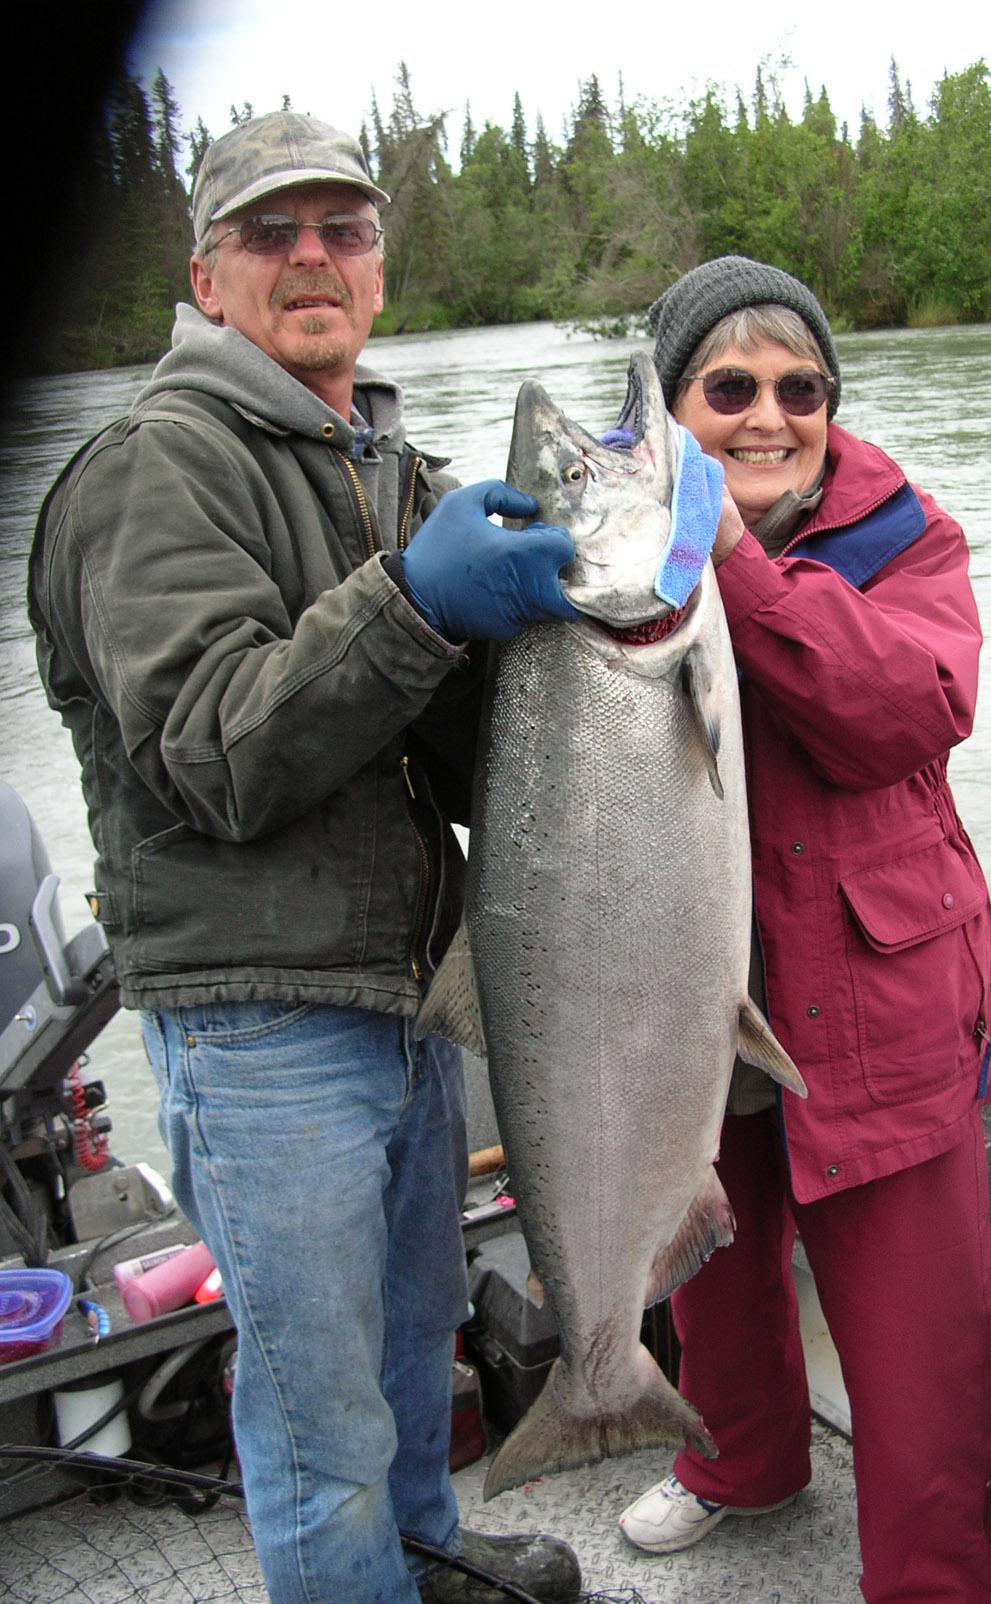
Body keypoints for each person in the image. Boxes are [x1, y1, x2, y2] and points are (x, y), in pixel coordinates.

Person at [28, 111, 585, 1604]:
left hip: (405, 1002)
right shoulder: (156, 466)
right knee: (319, 1415)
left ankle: (431, 1562)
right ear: (207, 279)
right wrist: (416, 600)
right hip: (260, 1021)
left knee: (413, 1355)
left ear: (383, 270)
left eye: (343, 228)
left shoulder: (384, 464)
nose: (311, 258)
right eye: (270, 234)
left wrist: (593, 633)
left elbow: (459, 757)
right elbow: (214, 748)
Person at [617, 256, 991, 1604]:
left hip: (881, 995)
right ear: (672, 406)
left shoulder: (907, 535)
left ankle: (934, 1585)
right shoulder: (615, 544)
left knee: (921, 1359)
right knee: (714, 1280)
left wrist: (737, 563)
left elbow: (907, 709)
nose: (767, 414)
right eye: (728, 386)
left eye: (802, 387)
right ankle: (741, 1464)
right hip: (694, 987)